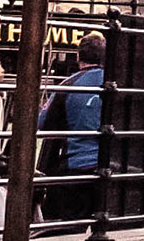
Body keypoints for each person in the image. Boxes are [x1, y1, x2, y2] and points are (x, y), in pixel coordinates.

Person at [40, 28, 108, 226]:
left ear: (78, 56)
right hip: (109, 167)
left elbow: (43, 123)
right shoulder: (117, 85)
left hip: (77, 165)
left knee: (67, 226)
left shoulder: (69, 85)